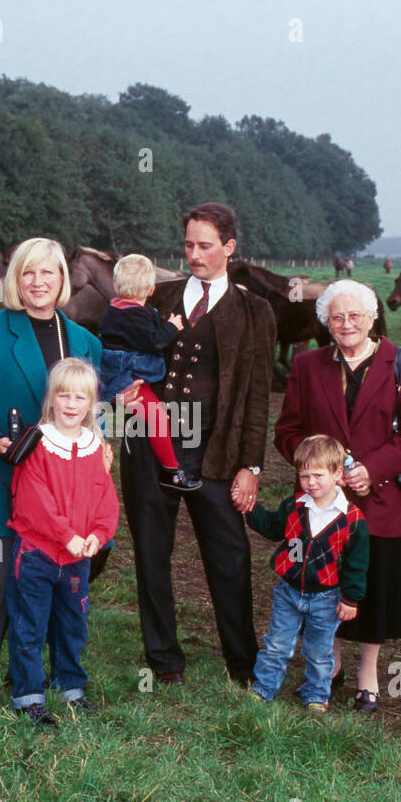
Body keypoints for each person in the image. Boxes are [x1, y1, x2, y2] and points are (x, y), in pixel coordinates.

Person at [120, 202, 277, 687]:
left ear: (229, 247)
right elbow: (116, 349)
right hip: (147, 441)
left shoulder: (255, 311)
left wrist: (251, 464)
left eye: (205, 246)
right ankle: (164, 658)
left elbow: (256, 396)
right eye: (188, 244)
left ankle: (243, 663)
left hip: (216, 448)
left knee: (229, 555)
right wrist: (117, 389)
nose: (194, 254)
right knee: (151, 551)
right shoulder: (156, 296)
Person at [0, 238, 102, 718]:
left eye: (48, 274)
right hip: (2, 482)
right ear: (15, 279)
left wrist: (107, 440)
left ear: (63, 281)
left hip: (63, 499)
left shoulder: (84, 341)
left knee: (56, 584)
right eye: (28, 273)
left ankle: (36, 681)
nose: (38, 282)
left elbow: (96, 408)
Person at [273, 279, 401, 713]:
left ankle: (368, 672)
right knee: (321, 581)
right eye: (337, 317)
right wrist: (315, 468)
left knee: (373, 585)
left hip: (378, 499)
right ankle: (331, 662)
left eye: (355, 316)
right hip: (321, 505)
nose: (346, 325)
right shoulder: (306, 366)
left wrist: (372, 471)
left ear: (372, 317)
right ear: (325, 321)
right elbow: (286, 431)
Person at [6, 358, 119, 727]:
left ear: (91, 404)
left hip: (77, 559)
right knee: (29, 624)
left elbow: (105, 498)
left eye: (80, 398)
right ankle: (28, 695)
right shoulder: (37, 442)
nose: (71, 405)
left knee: (73, 623)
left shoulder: (94, 446)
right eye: (63, 396)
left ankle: (69, 684)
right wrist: (66, 535)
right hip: (38, 553)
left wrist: (97, 536)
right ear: (51, 399)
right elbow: (33, 500)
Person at [246, 435, 368, 712]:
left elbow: (357, 565)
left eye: (318, 475)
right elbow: (273, 527)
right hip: (288, 591)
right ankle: (264, 687)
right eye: (304, 476)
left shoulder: (352, 519)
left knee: (318, 650)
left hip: (326, 597)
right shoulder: (296, 506)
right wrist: (251, 510)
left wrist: (351, 599)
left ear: (338, 474)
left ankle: (316, 695)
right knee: (276, 643)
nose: (311, 483)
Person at [97, 253, 200, 493]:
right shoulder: (134, 314)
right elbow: (154, 342)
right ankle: (172, 471)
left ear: (115, 285)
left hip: (118, 372)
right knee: (158, 421)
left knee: (154, 420)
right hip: (129, 378)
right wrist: (172, 327)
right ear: (151, 289)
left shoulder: (113, 308)